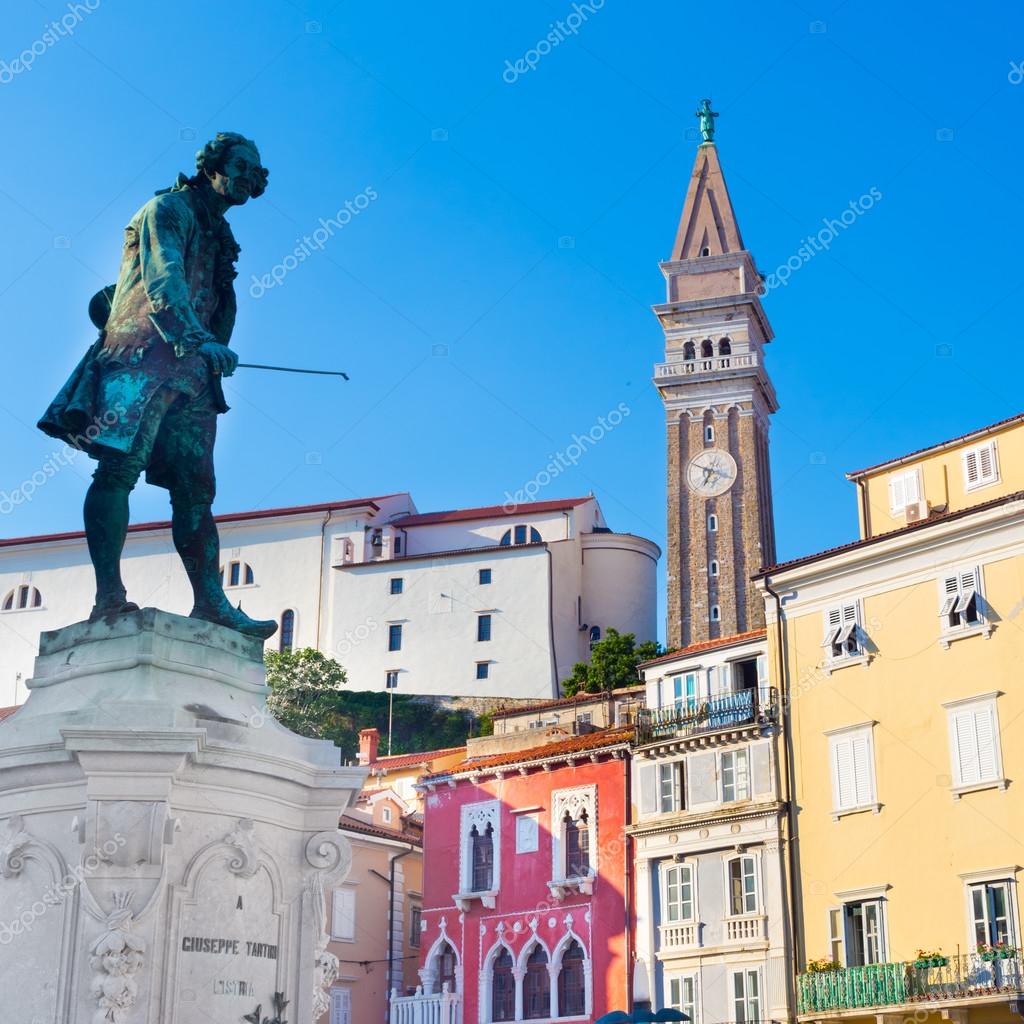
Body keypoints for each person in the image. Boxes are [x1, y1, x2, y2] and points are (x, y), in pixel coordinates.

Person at [40, 132, 277, 639]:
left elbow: (217, 301)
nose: (249, 179)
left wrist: (210, 352)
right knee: (118, 469)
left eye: (256, 173)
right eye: (241, 166)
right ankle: (109, 597)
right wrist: (196, 338)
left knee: (197, 491)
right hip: (141, 357)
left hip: (194, 372)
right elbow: (162, 276)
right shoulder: (166, 209)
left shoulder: (221, 236)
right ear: (211, 166)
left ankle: (211, 603)